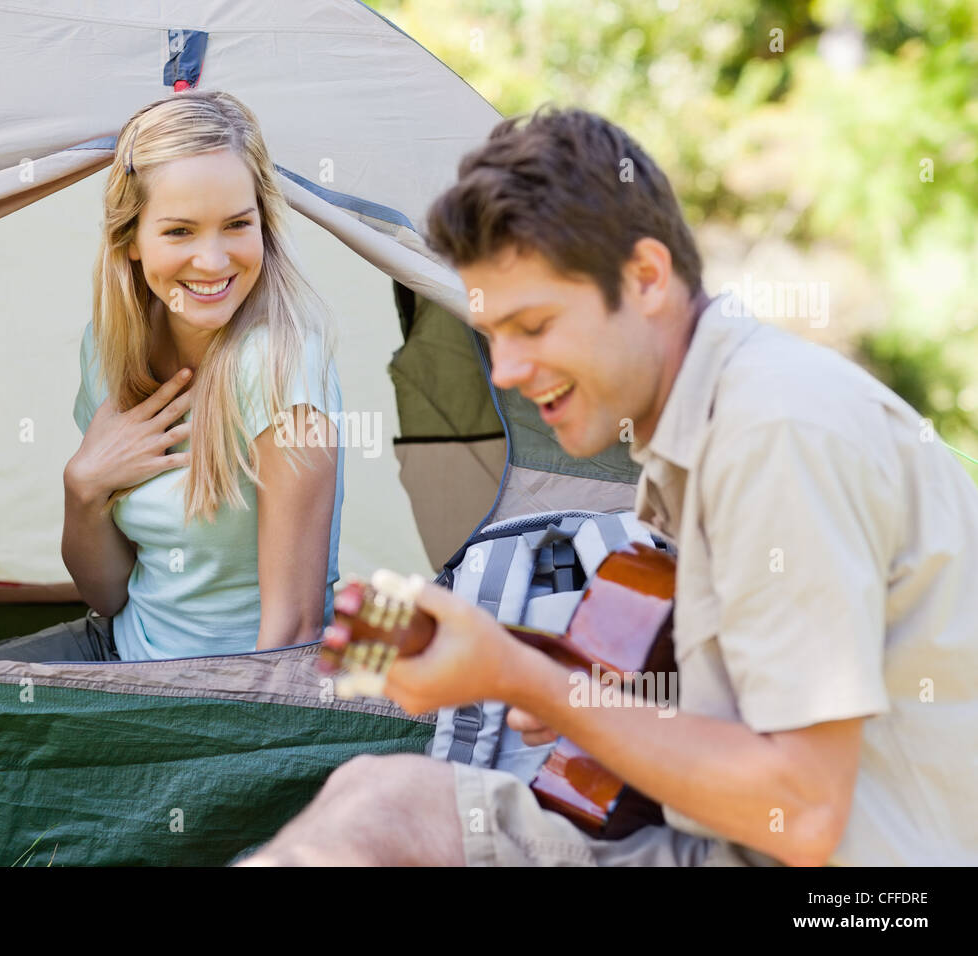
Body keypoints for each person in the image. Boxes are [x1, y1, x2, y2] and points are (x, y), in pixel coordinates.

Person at [238, 106, 978, 867]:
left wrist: (525, 677)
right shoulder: (710, 420)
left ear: (646, 278)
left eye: (534, 326)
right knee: (374, 792)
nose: (506, 374)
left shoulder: (775, 434)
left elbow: (803, 808)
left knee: (383, 820)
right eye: (492, 337)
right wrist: (567, 684)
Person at [0, 90, 344, 663]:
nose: (213, 262)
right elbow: (108, 594)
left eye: (237, 224)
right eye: (179, 231)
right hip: (120, 652)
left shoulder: (280, 370)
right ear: (130, 240)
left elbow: (293, 631)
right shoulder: (108, 350)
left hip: (234, 690)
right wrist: (83, 487)